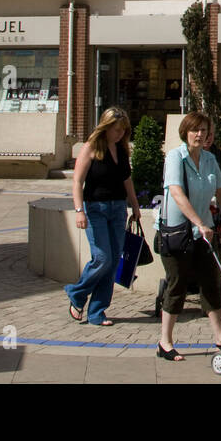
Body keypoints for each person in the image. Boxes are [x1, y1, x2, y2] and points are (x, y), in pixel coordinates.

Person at [157, 111, 221, 361]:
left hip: (204, 231)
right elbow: (178, 194)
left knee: (211, 283)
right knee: (177, 284)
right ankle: (165, 342)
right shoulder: (175, 157)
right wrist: (198, 222)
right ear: (185, 132)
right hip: (178, 231)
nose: (200, 135)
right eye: (195, 130)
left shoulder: (210, 159)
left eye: (204, 130)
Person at [65, 107, 139, 327]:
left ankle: (97, 312)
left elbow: (127, 180)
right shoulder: (90, 148)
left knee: (114, 260)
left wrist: (134, 205)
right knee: (102, 258)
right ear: (105, 127)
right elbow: (77, 182)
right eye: (116, 130)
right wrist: (79, 211)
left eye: (123, 131)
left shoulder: (122, 150)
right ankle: (77, 293)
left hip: (117, 209)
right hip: (94, 208)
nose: (120, 134)